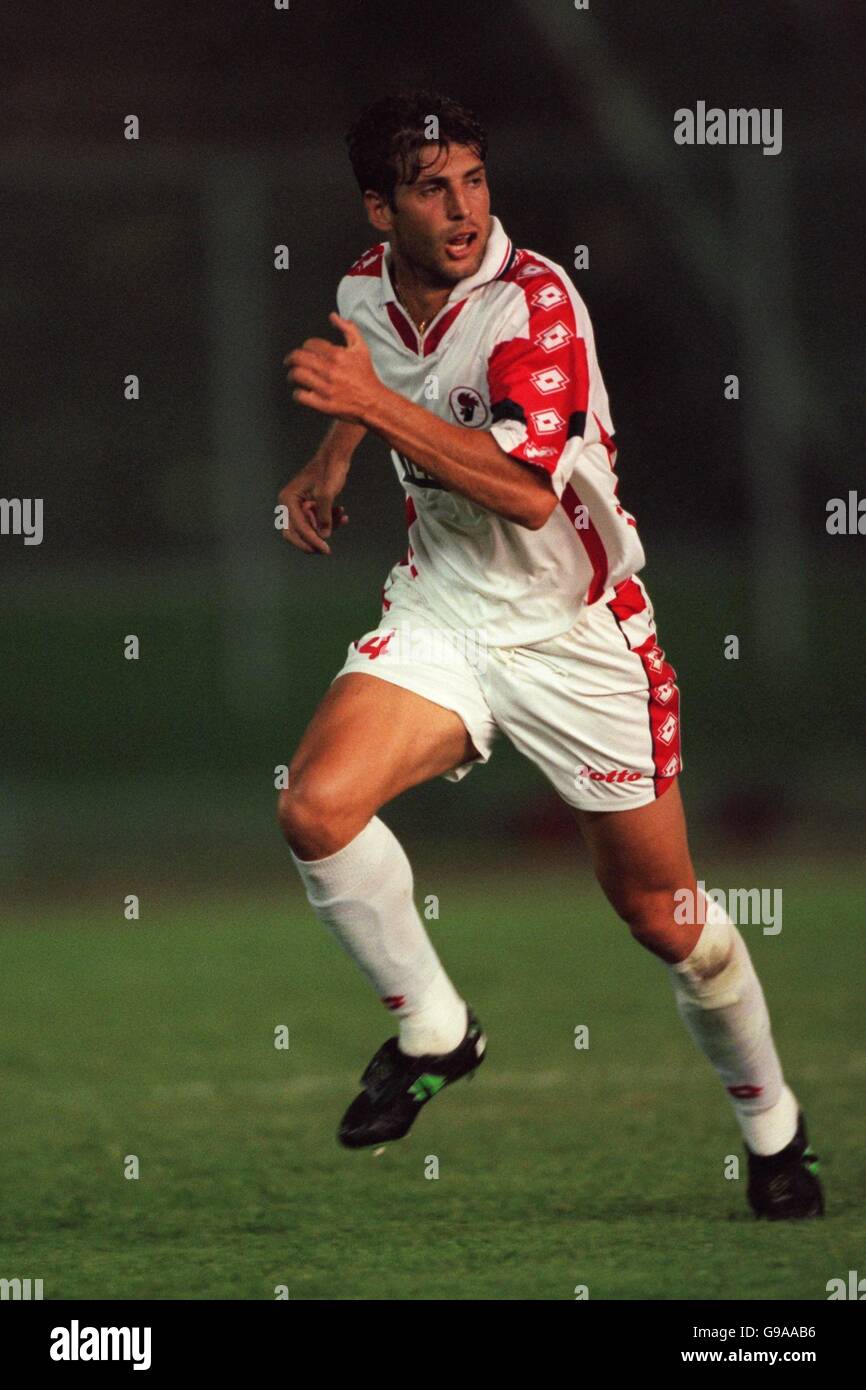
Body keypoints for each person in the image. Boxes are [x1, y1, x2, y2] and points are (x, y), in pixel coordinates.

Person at [278, 91, 822, 1219]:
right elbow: (370, 360)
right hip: (444, 611)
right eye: (431, 187)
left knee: (662, 914)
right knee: (315, 807)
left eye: (473, 179)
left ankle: (771, 1132)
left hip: (577, 635)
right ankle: (434, 1027)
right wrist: (334, 454)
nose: (462, 206)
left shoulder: (535, 306)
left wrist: (369, 408)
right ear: (380, 208)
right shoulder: (362, 288)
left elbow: (528, 493)